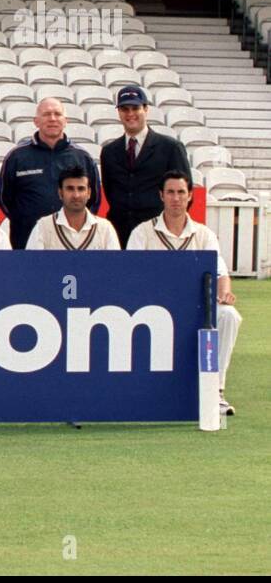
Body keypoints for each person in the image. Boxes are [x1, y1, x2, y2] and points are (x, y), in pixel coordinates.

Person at [126, 170, 242, 415]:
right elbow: (132, 277)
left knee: (229, 315)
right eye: (170, 192)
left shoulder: (204, 234)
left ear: (190, 196)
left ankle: (215, 392)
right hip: (151, 308)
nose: (176, 198)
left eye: (181, 192)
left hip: (195, 306)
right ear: (161, 195)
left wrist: (224, 294)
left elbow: (220, 273)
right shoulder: (142, 233)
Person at [0, 96, 102, 249]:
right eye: (46, 114)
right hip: (26, 241)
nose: (52, 119)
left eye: (57, 114)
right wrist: (24, 219)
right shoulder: (17, 156)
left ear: (66, 121)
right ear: (36, 121)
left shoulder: (82, 157)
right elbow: (4, 199)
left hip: (71, 243)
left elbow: (93, 200)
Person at [100, 85, 192, 247]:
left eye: (135, 108)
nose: (130, 114)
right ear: (119, 112)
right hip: (119, 234)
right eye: (124, 109)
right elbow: (111, 192)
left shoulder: (170, 148)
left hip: (157, 236)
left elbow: (185, 191)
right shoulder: (109, 152)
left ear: (146, 109)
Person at [25, 165, 120, 250]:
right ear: (60, 193)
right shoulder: (43, 227)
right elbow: (32, 266)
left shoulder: (105, 228)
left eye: (81, 189)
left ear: (89, 193)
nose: (76, 195)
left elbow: (115, 267)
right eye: (70, 189)